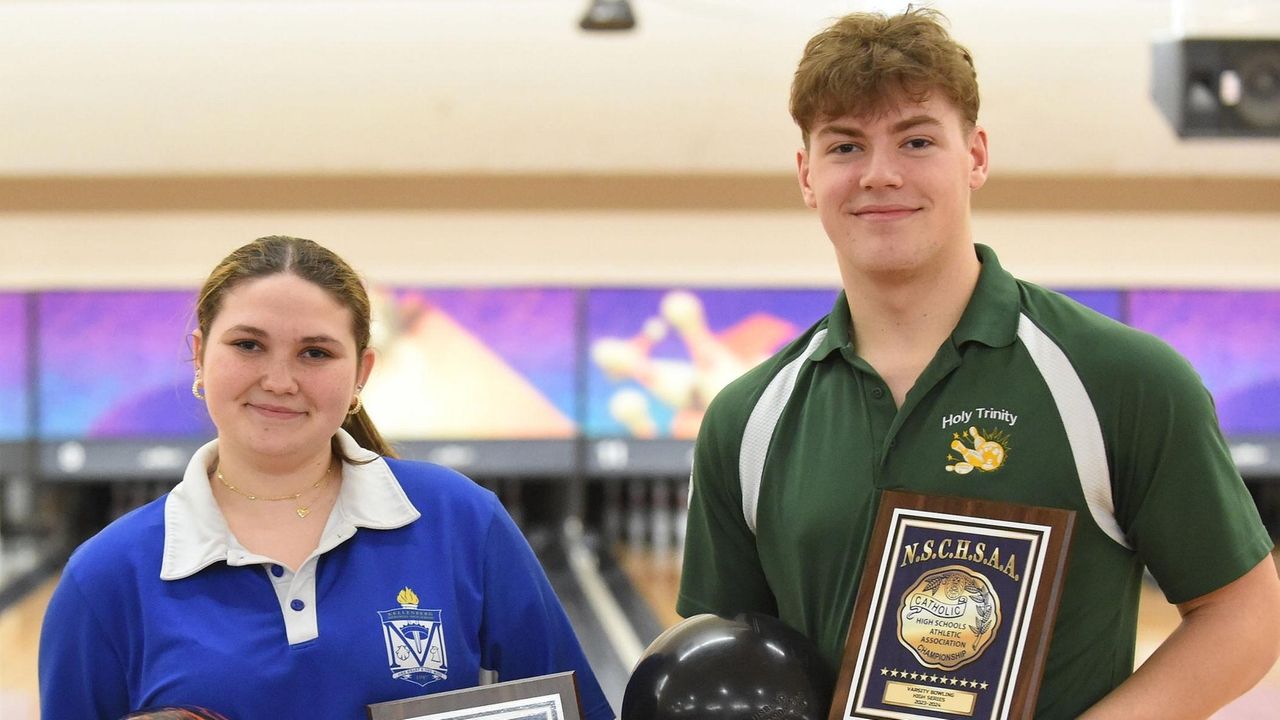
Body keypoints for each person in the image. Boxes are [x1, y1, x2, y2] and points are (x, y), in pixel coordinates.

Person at [677, 8, 1280, 719]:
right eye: (845, 147)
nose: (879, 174)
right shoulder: (748, 418)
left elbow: (1246, 613)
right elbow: (718, 657)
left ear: (977, 156)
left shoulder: (1121, 379)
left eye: (917, 140)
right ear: (807, 175)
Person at [39, 236, 614, 720]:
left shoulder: (462, 520)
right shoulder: (107, 577)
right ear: (199, 355)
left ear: (361, 371)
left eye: (315, 353)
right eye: (248, 345)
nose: (281, 380)